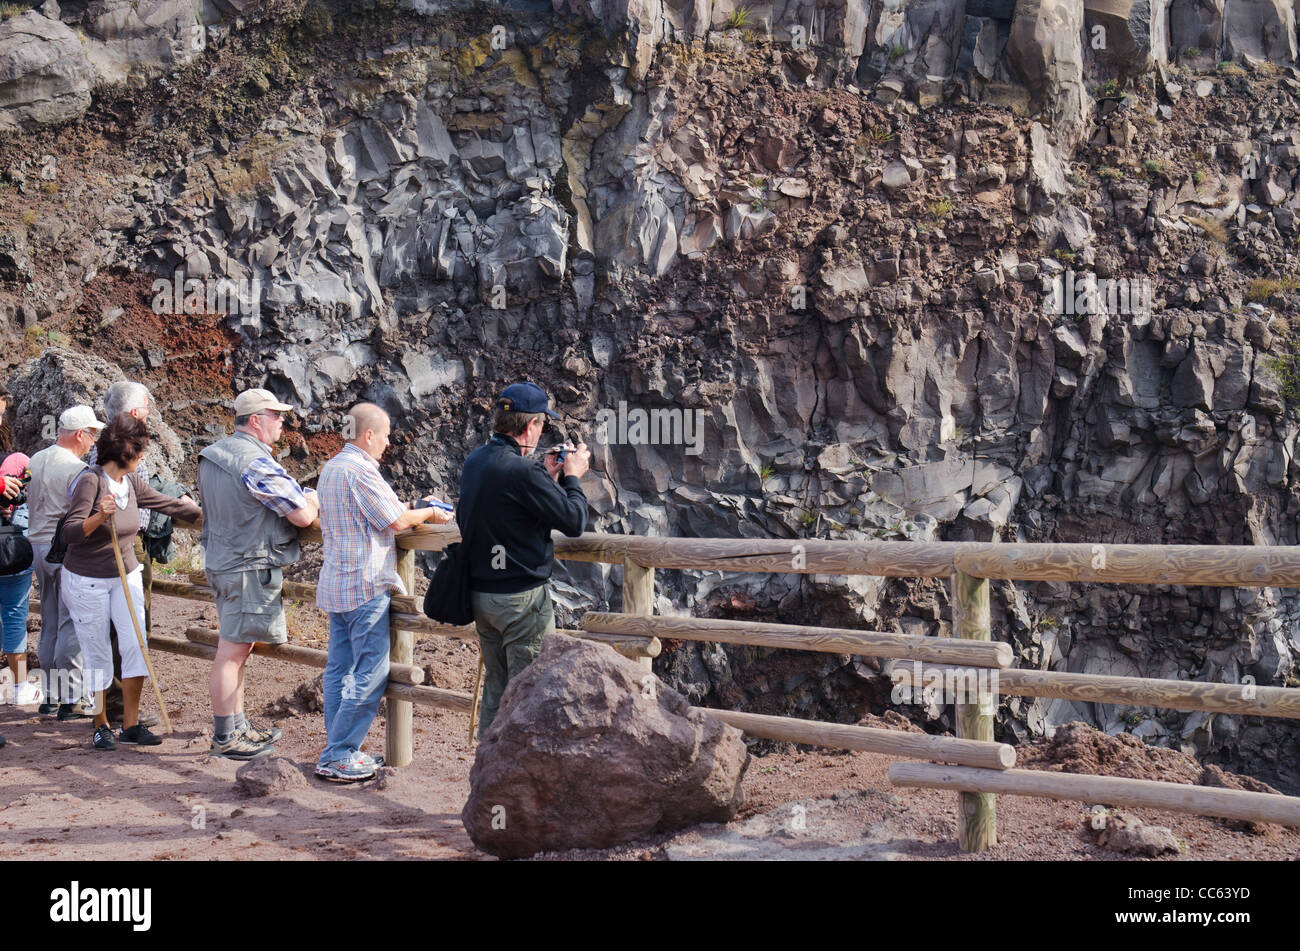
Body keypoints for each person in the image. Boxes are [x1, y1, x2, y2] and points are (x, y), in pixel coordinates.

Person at [314, 403, 453, 781]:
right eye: (386, 434)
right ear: (369, 434)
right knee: (371, 673)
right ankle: (339, 753)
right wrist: (428, 514)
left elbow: (376, 510)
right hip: (364, 583)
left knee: (339, 669)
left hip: (337, 583)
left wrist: (415, 507)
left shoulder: (333, 468)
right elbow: (395, 521)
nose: (389, 442)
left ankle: (338, 747)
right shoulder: (361, 470)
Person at [457, 382, 590, 737]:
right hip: (520, 601)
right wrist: (573, 476)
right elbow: (574, 521)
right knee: (528, 694)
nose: (542, 431)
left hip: (482, 596)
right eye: (543, 425)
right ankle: (516, 783)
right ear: (531, 426)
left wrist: (545, 476)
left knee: (497, 691)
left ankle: (489, 777)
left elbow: (505, 506)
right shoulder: (521, 471)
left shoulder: (476, 460)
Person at [61, 416, 200, 750]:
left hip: (126, 574)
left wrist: (211, 514)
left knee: (136, 644)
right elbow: (70, 532)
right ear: (127, 452)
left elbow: (166, 503)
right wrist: (99, 517)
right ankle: (101, 724)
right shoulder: (90, 482)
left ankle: (131, 724)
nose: (142, 457)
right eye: (140, 450)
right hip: (87, 580)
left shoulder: (132, 482)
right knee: (97, 651)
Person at [198, 388, 319, 760]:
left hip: (223, 559)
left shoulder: (212, 455)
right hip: (247, 566)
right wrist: (313, 496)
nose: (283, 423)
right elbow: (301, 515)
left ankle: (236, 726)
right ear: (256, 421)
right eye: (276, 416)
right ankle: (226, 738)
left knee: (237, 648)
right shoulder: (254, 462)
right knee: (232, 653)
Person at [28, 405, 104, 719]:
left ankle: (49, 695)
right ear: (78, 434)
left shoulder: (36, 459)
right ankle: (71, 698)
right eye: (92, 434)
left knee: (49, 621)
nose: (93, 441)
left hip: (37, 544)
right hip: (64, 549)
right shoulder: (76, 470)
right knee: (70, 622)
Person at [0, 451, 35, 705]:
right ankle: (20, 687)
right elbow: (24, 497)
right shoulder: (18, 459)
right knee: (14, 618)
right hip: (11, 549)